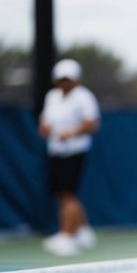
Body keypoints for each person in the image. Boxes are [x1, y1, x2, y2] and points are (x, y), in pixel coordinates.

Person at [38, 58, 100, 256]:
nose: (65, 83)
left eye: (68, 79)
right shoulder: (52, 97)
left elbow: (92, 124)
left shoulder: (84, 97)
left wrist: (71, 133)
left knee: (68, 194)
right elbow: (44, 123)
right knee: (61, 194)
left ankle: (67, 236)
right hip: (55, 150)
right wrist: (45, 129)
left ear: (76, 80)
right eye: (61, 79)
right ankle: (83, 231)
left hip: (75, 151)